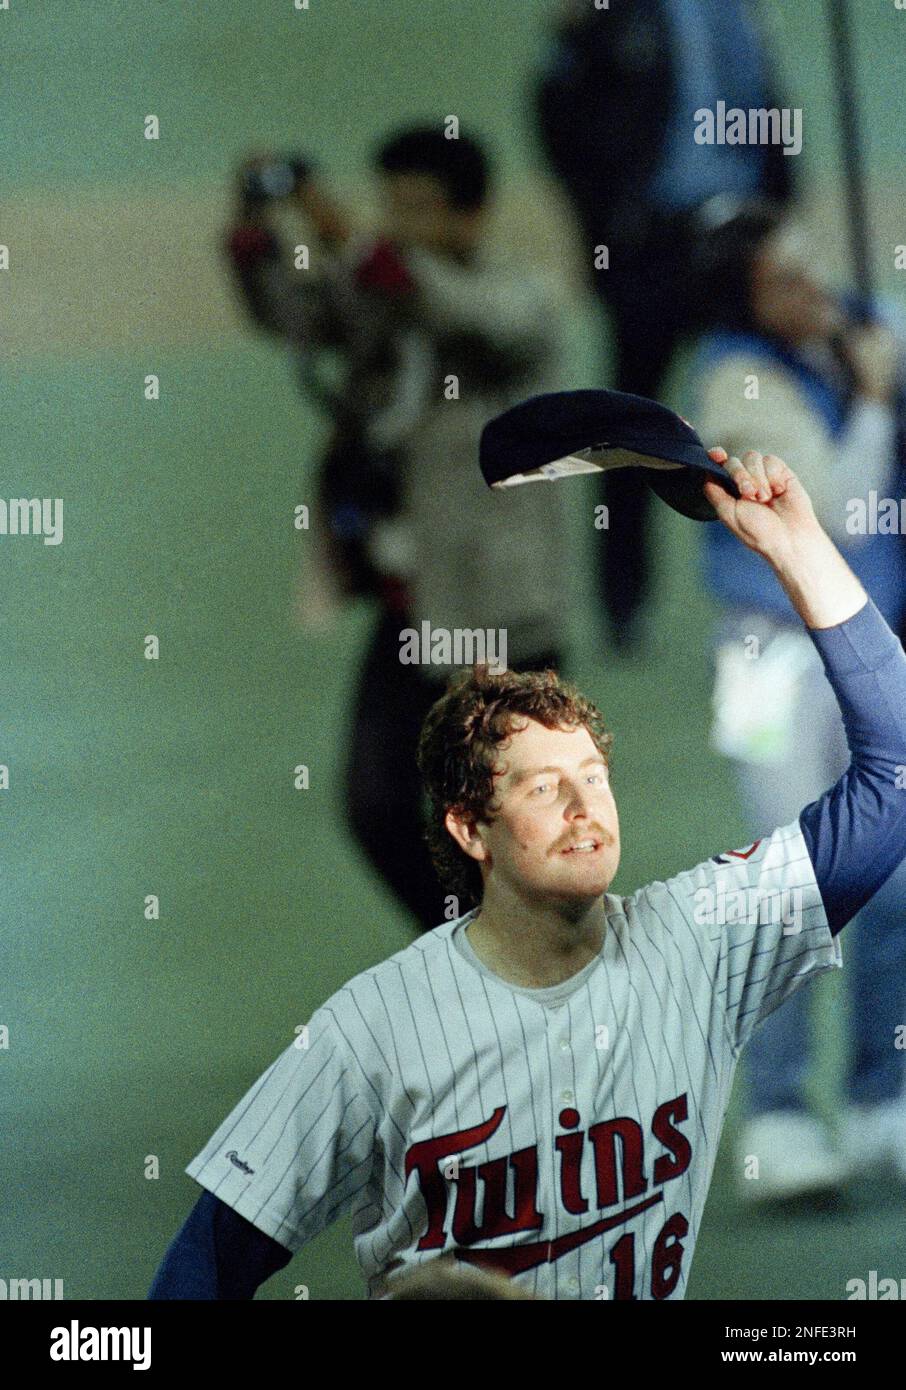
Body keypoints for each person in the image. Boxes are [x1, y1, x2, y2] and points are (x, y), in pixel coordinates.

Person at [149, 447, 906, 1298]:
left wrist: (796, 546)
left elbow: (894, 774)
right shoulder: (368, 1036)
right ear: (470, 828)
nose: (587, 807)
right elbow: (201, 1271)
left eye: (594, 778)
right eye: (547, 788)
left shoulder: (702, 941)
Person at [225, 126, 570, 930]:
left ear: (472, 214)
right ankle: (473, 949)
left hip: (503, 614)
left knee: (522, 828)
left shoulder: (516, 300)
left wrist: (344, 231)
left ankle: (528, 963)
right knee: (376, 804)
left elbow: (443, 303)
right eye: (390, 206)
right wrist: (255, 235)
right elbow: (292, 314)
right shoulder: (388, 303)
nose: (399, 224)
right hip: (414, 609)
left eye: (418, 208)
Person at [690, 201, 906, 1201]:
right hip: (766, 658)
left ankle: (881, 1099)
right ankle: (776, 1117)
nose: (813, 289)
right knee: (790, 886)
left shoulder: (851, 332)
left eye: (814, 268)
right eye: (788, 279)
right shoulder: (735, 382)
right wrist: (871, 396)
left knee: (897, 880)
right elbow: (837, 517)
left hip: (866, 649)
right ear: (743, 296)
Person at [531, 0, 797, 650]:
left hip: (738, 236)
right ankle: (625, 601)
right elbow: (555, 107)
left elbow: (767, 98)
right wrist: (601, 214)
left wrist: (780, 197)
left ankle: (778, 575)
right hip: (650, 241)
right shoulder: (618, 14)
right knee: (634, 425)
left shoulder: (740, 12)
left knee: (764, 406)